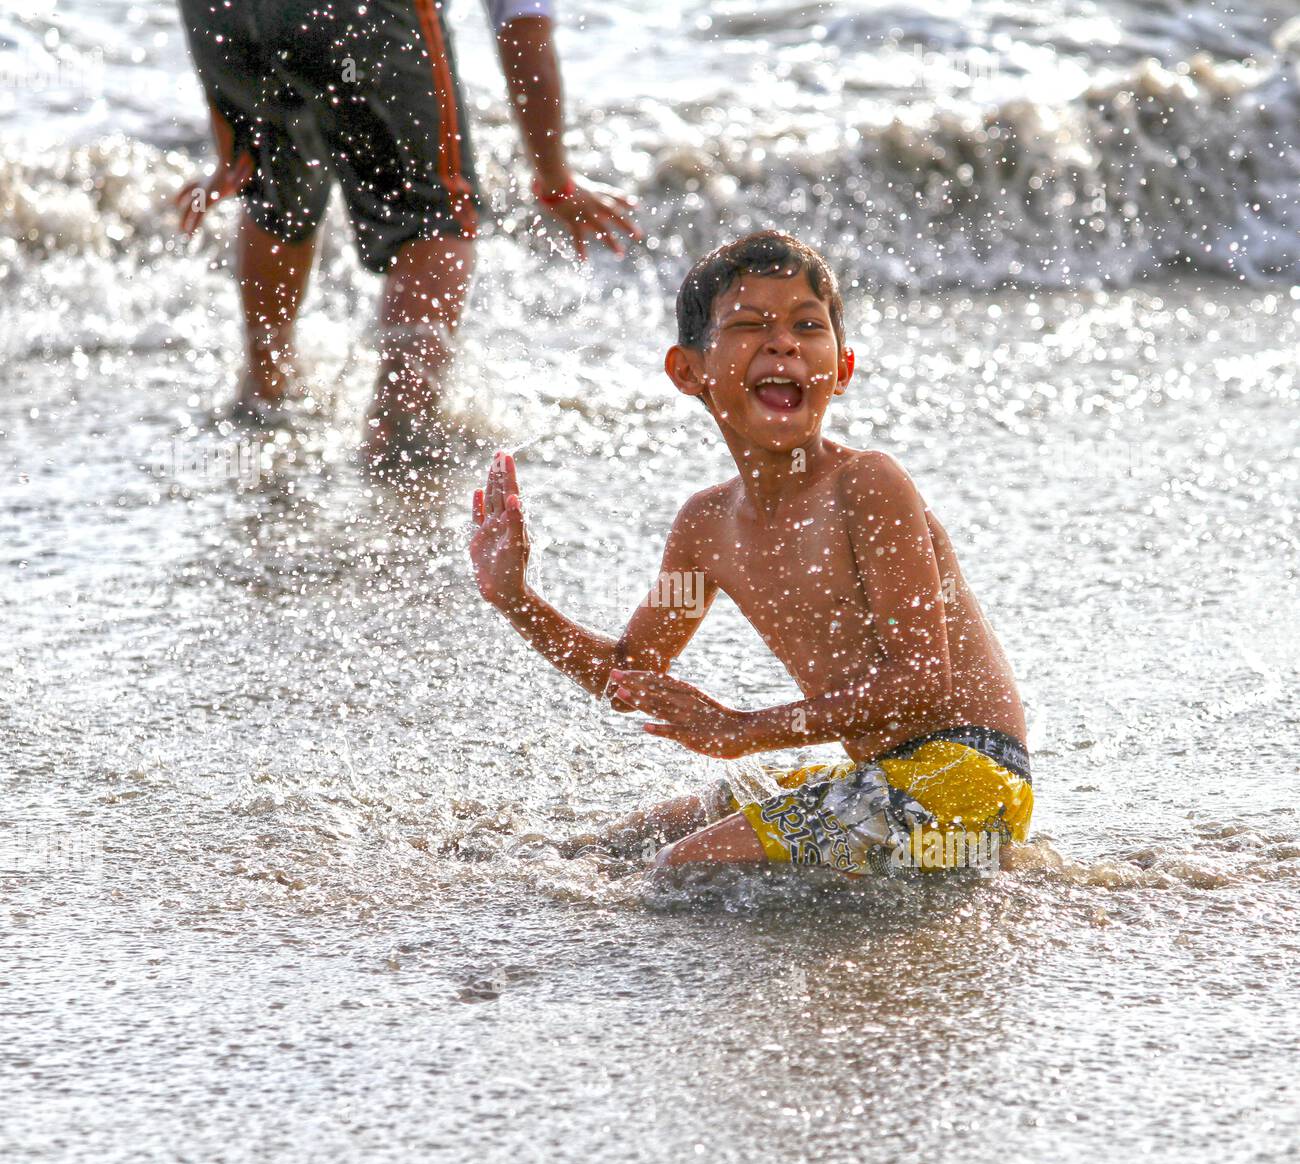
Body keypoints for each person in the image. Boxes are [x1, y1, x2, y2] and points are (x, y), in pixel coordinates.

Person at [468, 230, 1033, 878]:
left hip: (973, 782)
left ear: (841, 368)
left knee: (684, 869)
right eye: (748, 324)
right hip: (880, 775)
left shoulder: (867, 488)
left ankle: (981, 861)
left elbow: (922, 682)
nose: (783, 342)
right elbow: (629, 674)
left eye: (806, 325)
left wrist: (743, 730)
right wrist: (514, 599)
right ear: (689, 371)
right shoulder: (706, 533)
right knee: (620, 845)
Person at [175, 0, 639, 468]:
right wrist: (555, 181)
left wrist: (228, 152)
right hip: (357, 25)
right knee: (434, 213)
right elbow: (523, 29)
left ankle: (263, 398)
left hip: (221, 18)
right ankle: (399, 430)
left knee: (273, 188)